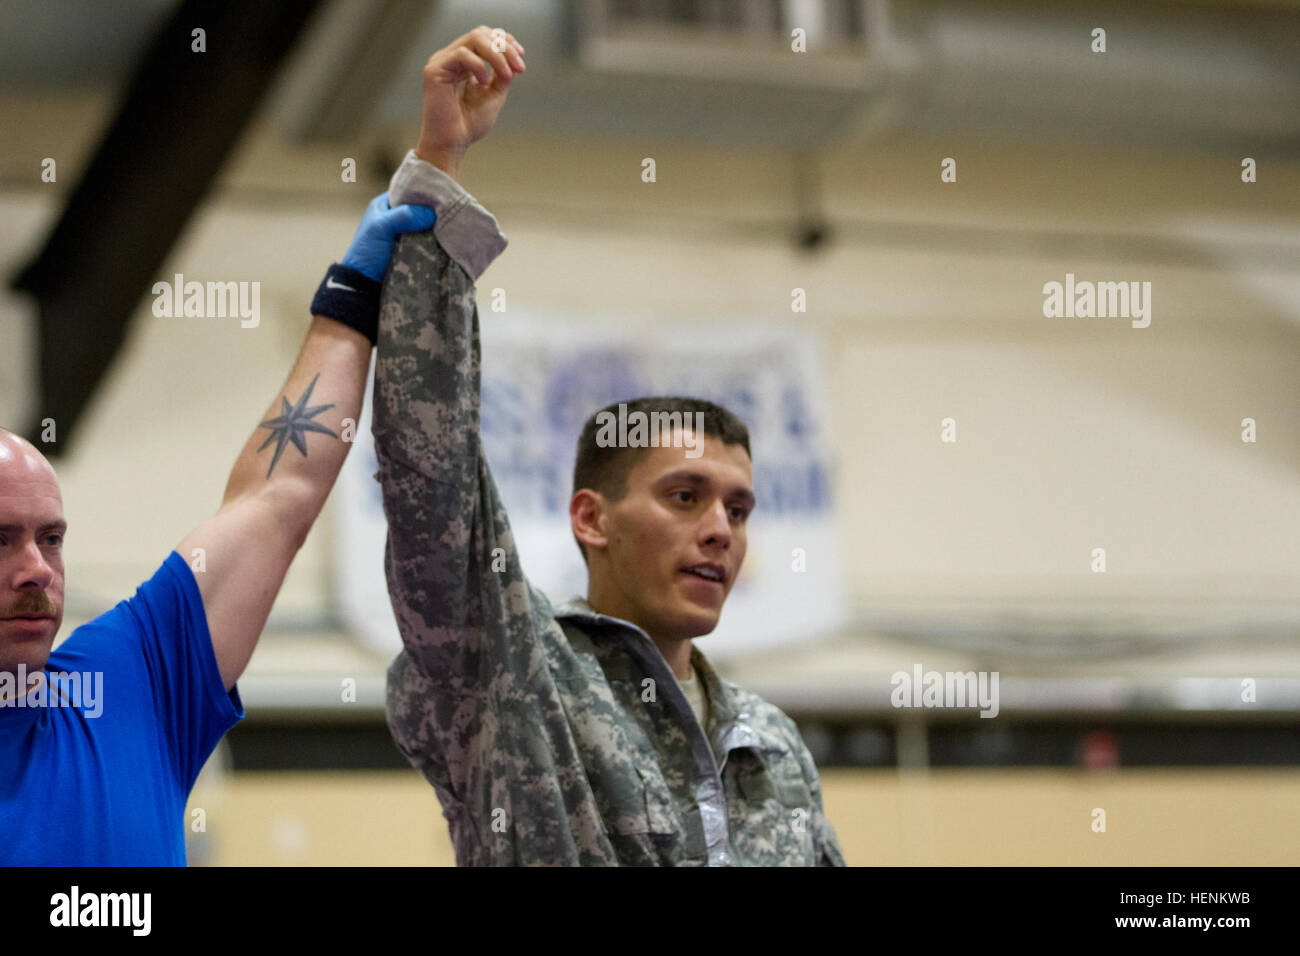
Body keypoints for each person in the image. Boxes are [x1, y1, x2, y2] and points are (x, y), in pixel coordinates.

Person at [377, 25, 845, 866]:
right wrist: (438, 168)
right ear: (590, 518)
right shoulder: (517, 678)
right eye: (685, 495)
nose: (721, 531)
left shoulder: (769, 748)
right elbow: (432, 478)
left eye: (738, 507)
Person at [0, 193, 436, 865]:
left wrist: (353, 291)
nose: (36, 568)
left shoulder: (130, 682)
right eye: (2, 540)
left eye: (50, 539)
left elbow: (277, 495)